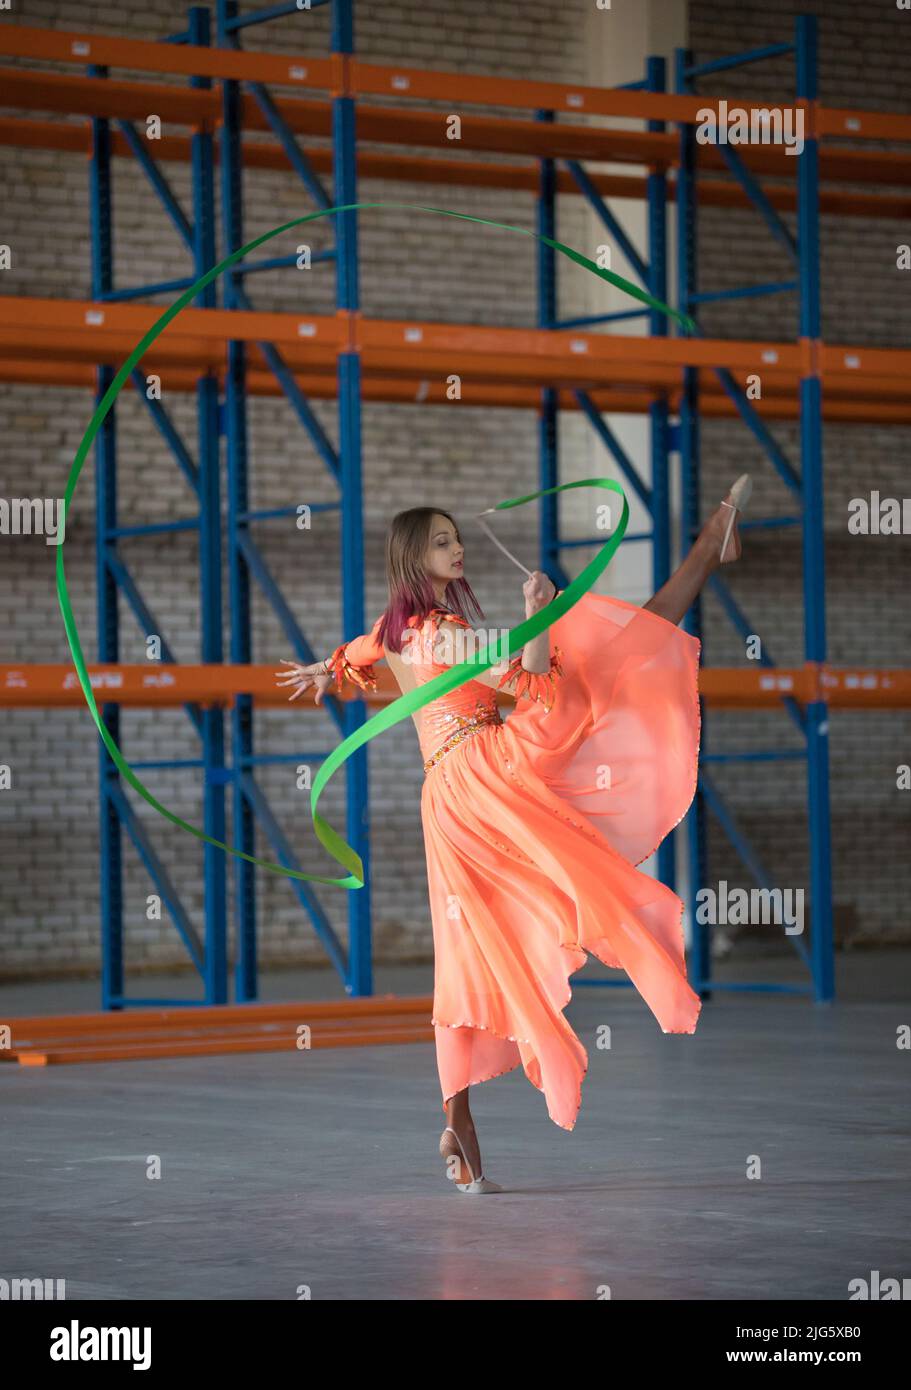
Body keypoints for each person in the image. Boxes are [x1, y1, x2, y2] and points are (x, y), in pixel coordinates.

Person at [276, 484, 745, 1193]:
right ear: (413, 558)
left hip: (444, 797)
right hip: (493, 771)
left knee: (467, 953)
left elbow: (358, 654)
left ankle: (458, 1125)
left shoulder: (395, 629)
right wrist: (537, 619)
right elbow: (535, 689)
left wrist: (327, 668)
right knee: (609, 672)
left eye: (454, 536)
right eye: (440, 542)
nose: (456, 548)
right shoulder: (443, 634)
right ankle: (708, 548)